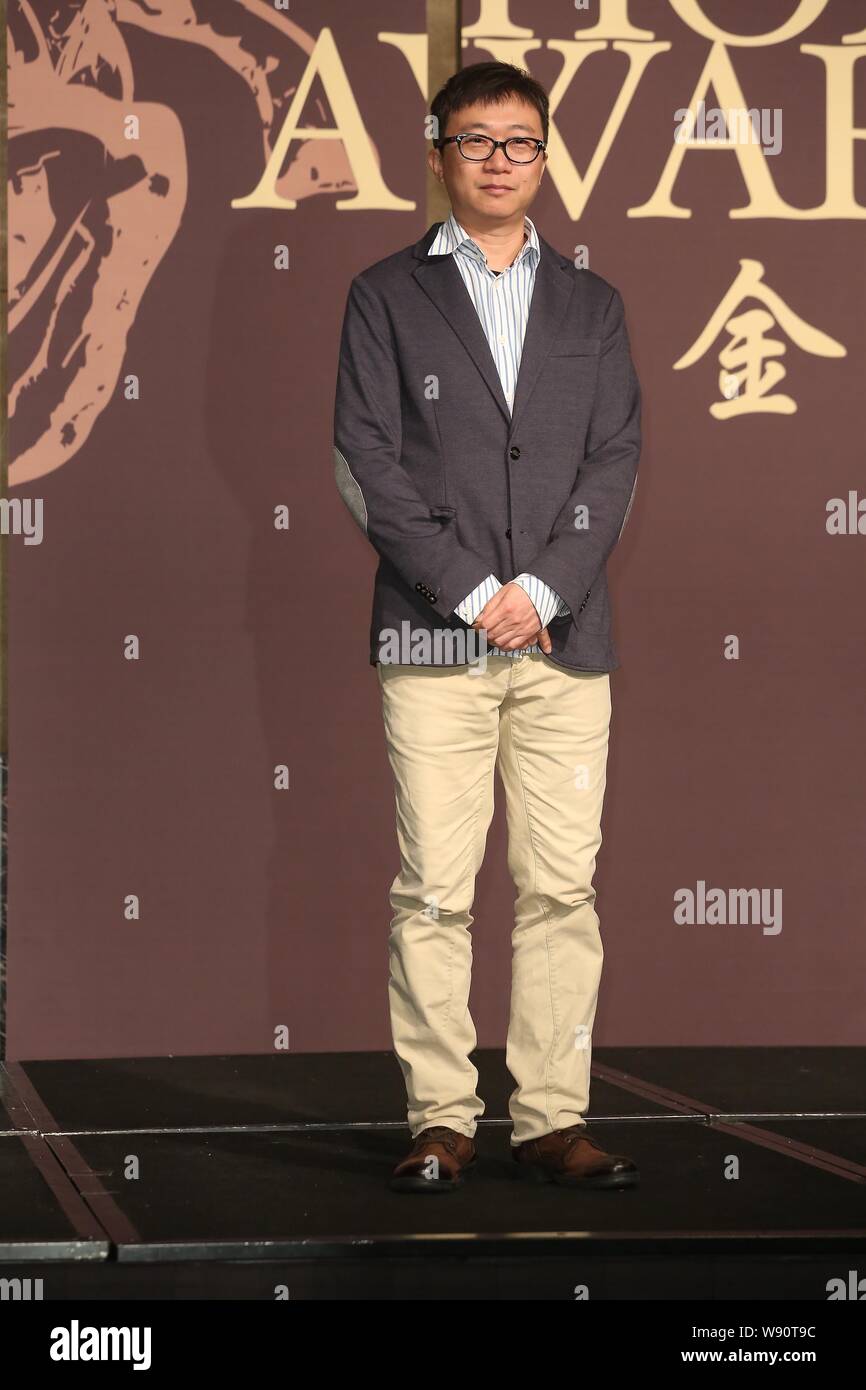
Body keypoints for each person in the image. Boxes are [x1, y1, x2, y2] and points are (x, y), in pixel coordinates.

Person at [333, 61, 642, 1193]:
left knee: (562, 889)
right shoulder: (382, 294)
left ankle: (553, 1120)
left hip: (566, 641)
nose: (499, 159)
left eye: (519, 141)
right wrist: (472, 593)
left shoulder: (591, 304)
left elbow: (612, 463)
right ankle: (440, 1119)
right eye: (476, 141)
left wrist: (543, 591)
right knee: (433, 888)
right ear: (437, 153)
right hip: (431, 637)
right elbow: (365, 462)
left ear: (547, 155)